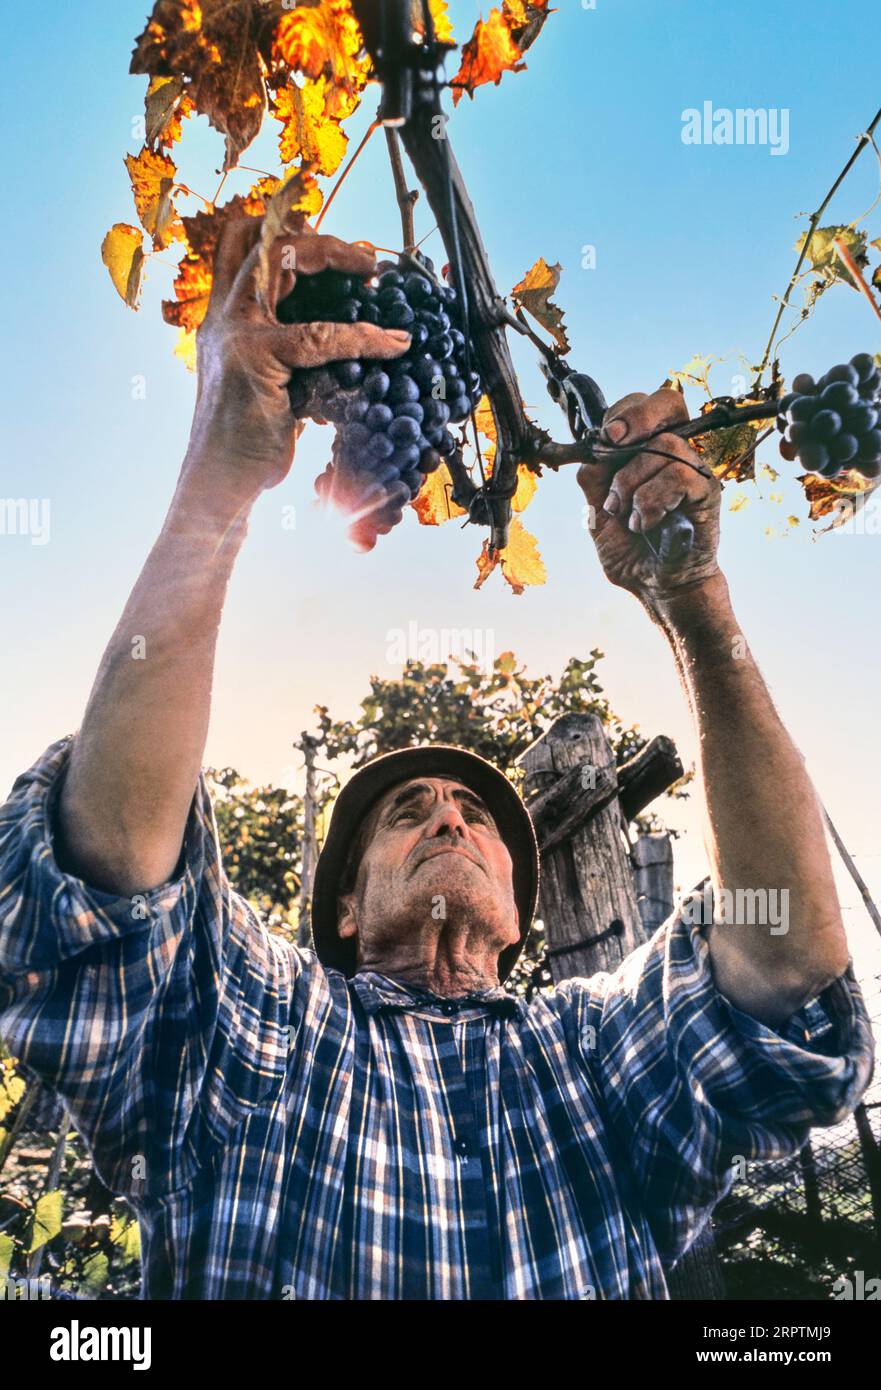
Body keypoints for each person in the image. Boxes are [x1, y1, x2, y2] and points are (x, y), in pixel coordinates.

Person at [0, 219, 873, 1300]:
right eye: (406, 812)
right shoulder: (263, 1024)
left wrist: (693, 606)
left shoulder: (598, 1051)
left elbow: (785, 973)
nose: (450, 818)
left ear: (520, 906)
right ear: (348, 912)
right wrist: (220, 482)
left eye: (473, 813)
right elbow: (103, 888)